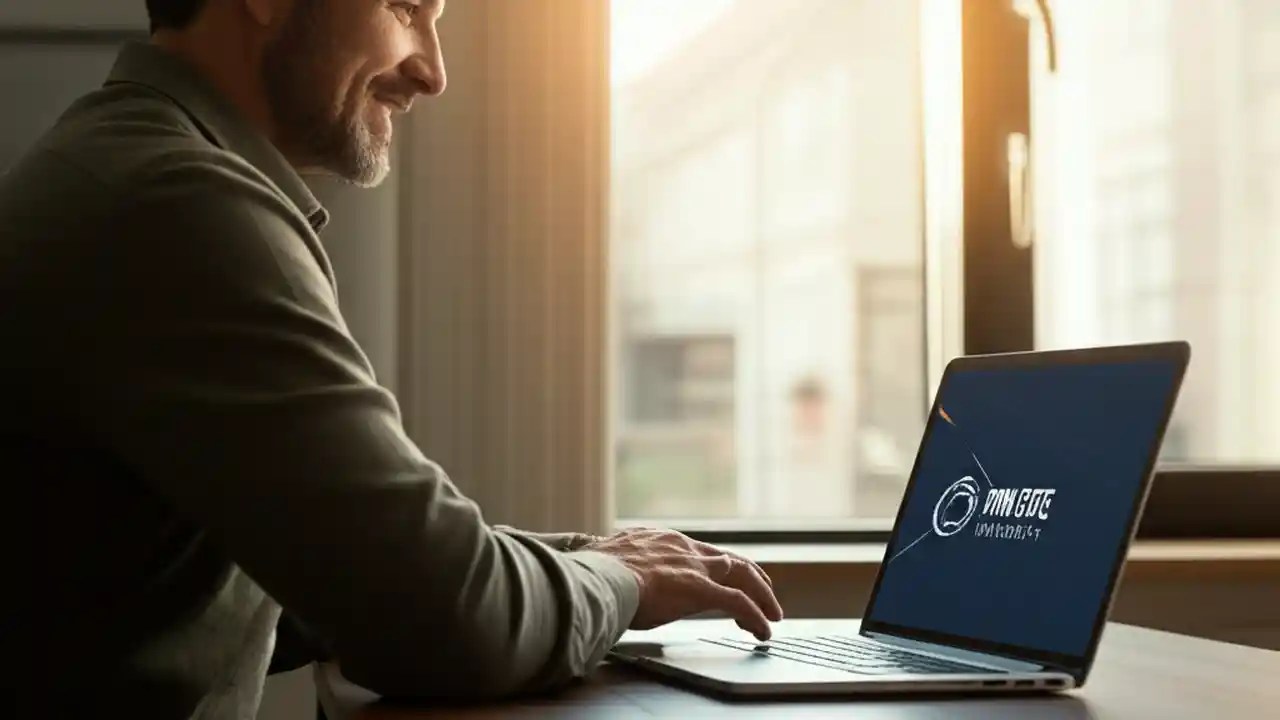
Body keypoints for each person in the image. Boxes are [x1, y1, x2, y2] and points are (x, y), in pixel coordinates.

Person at [0, 0, 783, 717]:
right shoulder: (179, 206)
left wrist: (585, 562)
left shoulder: (121, 169)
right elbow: (440, 621)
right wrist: (624, 582)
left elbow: (334, 570)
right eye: (405, 7)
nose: (433, 72)